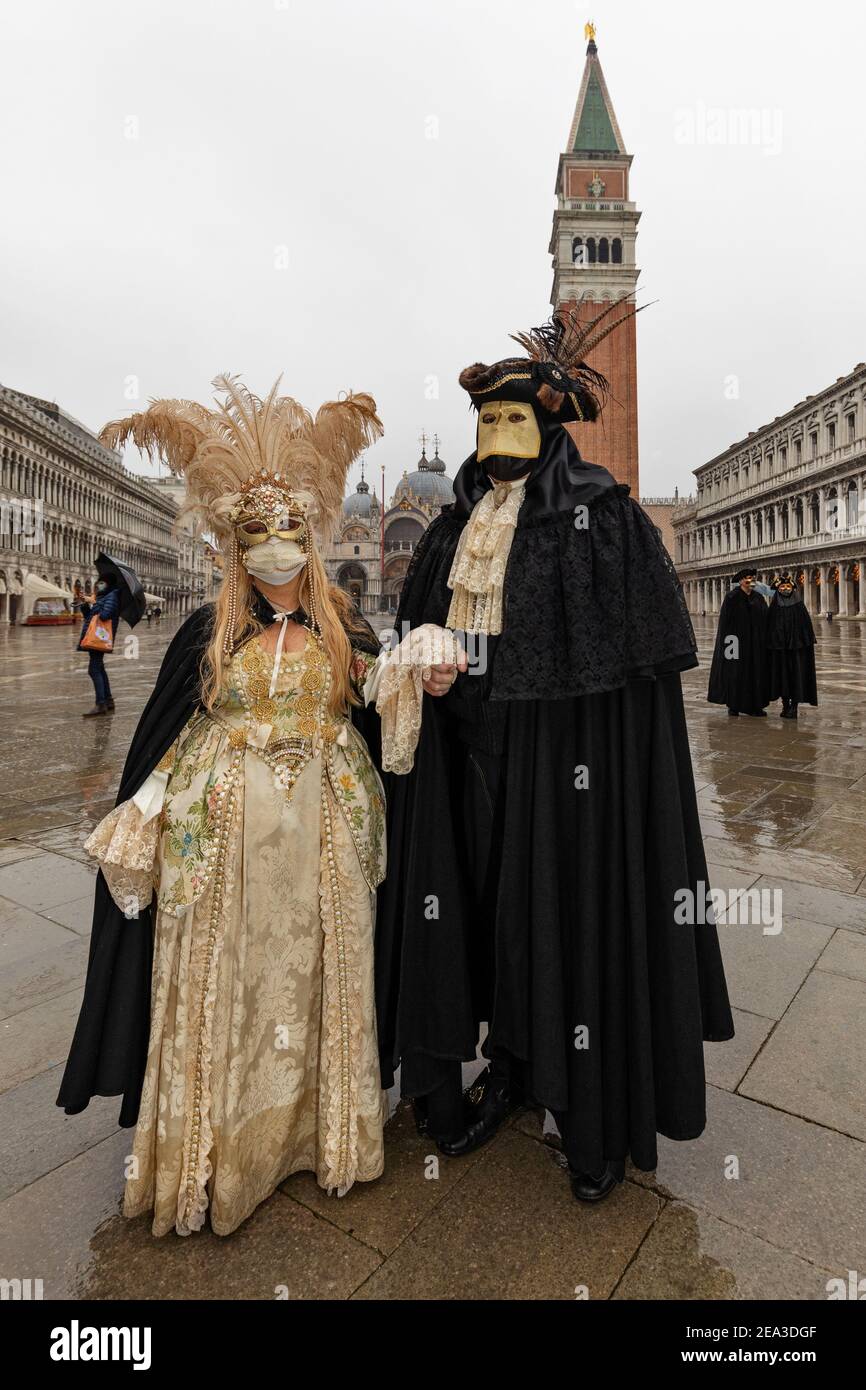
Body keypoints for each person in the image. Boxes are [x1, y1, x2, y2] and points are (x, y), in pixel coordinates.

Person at [372, 308, 734, 1204]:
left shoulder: (601, 519)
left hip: (570, 777)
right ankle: (512, 1065)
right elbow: (423, 629)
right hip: (470, 766)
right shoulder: (455, 527)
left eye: (514, 420)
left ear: (549, 426)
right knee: (486, 918)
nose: (498, 439)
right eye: (486, 422)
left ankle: (589, 1112)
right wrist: (428, 663)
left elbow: (627, 670)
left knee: (568, 922)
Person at [57, 375, 387, 1236]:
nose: (276, 550)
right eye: (257, 536)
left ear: (312, 539)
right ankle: (218, 1155)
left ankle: (317, 1138)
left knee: (315, 973)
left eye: (289, 533)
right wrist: (149, 806)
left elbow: (379, 698)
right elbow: (171, 731)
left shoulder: (344, 625)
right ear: (233, 545)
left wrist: (415, 669)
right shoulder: (209, 629)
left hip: (323, 828)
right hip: (226, 833)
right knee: (226, 982)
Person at [707, 569, 769, 717]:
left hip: (755, 644)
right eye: (748, 578)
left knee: (755, 673)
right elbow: (725, 623)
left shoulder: (759, 598)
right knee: (734, 673)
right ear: (741, 581)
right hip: (734, 642)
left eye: (753, 578)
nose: (751, 581)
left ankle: (755, 706)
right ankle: (733, 705)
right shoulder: (732, 597)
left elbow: (765, 618)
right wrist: (728, 646)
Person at [767, 574, 817, 719]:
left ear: (793, 588)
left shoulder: (799, 606)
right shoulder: (774, 607)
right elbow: (769, 627)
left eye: (788, 586)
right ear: (778, 589)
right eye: (782, 587)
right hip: (780, 650)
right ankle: (785, 705)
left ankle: (794, 707)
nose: (785, 589)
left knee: (796, 677)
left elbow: (806, 628)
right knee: (782, 677)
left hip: (796, 651)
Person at [79, 575, 120, 717]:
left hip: (99, 637)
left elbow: (104, 615)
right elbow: (89, 616)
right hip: (94, 637)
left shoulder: (112, 596)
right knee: (100, 668)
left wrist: (94, 601)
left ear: (108, 583)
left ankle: (100, 703)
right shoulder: (103, 596)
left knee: (94, 670)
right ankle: (108, 701)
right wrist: (85, 604)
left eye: (102, 582)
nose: (99, 584)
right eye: (99, 582)